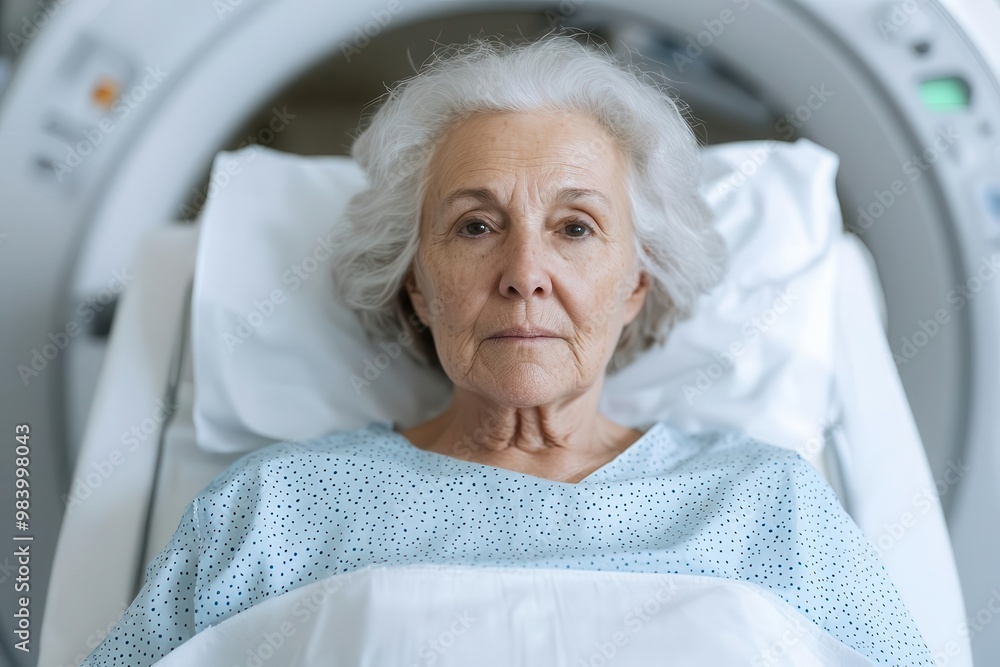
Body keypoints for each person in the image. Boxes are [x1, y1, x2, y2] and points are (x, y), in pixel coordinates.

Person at [82, 32, 932, 665]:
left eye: (574, 226)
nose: (526, 272)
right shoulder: (273, 513)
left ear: (637, 282)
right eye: (477, 225)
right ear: (416, 281)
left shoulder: (766, 506)